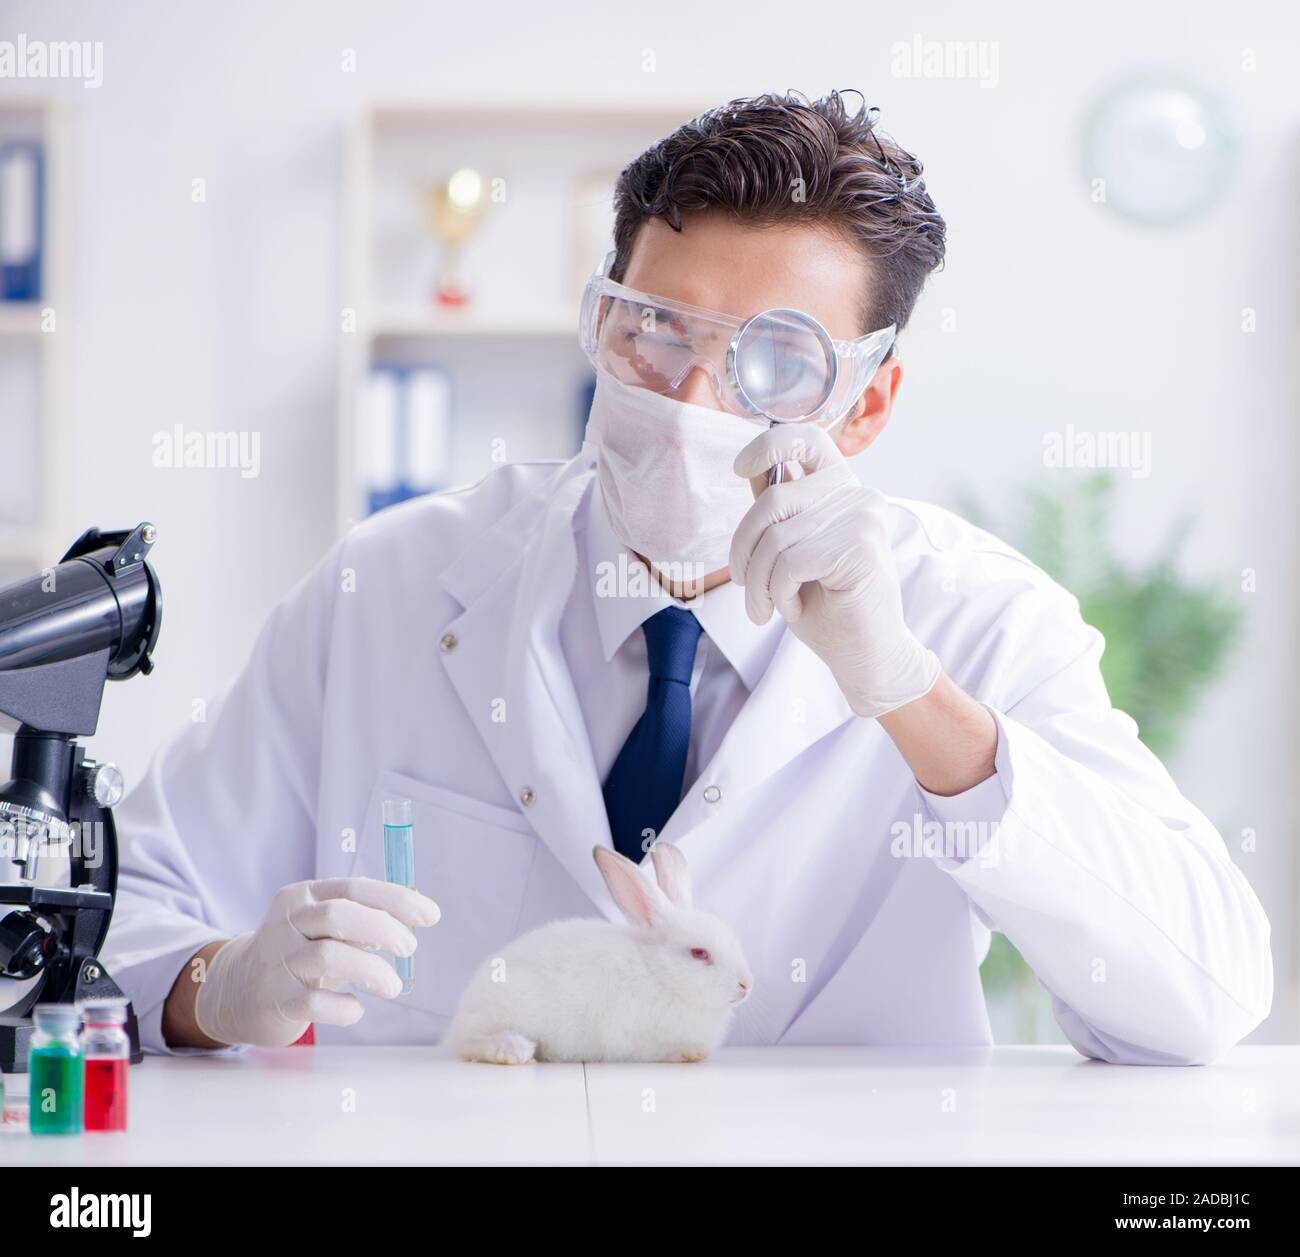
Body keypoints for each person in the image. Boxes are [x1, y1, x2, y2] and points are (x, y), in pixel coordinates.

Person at [104, 91, 1271, 1064]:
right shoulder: (393, 583)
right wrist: (209, 987)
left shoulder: (978, 617)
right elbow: (113, 917)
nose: (690, 401)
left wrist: (913, 696)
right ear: (598, 320)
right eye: (652, 332)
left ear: (864, 406)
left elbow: (1201, 1003)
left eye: (774, 361)